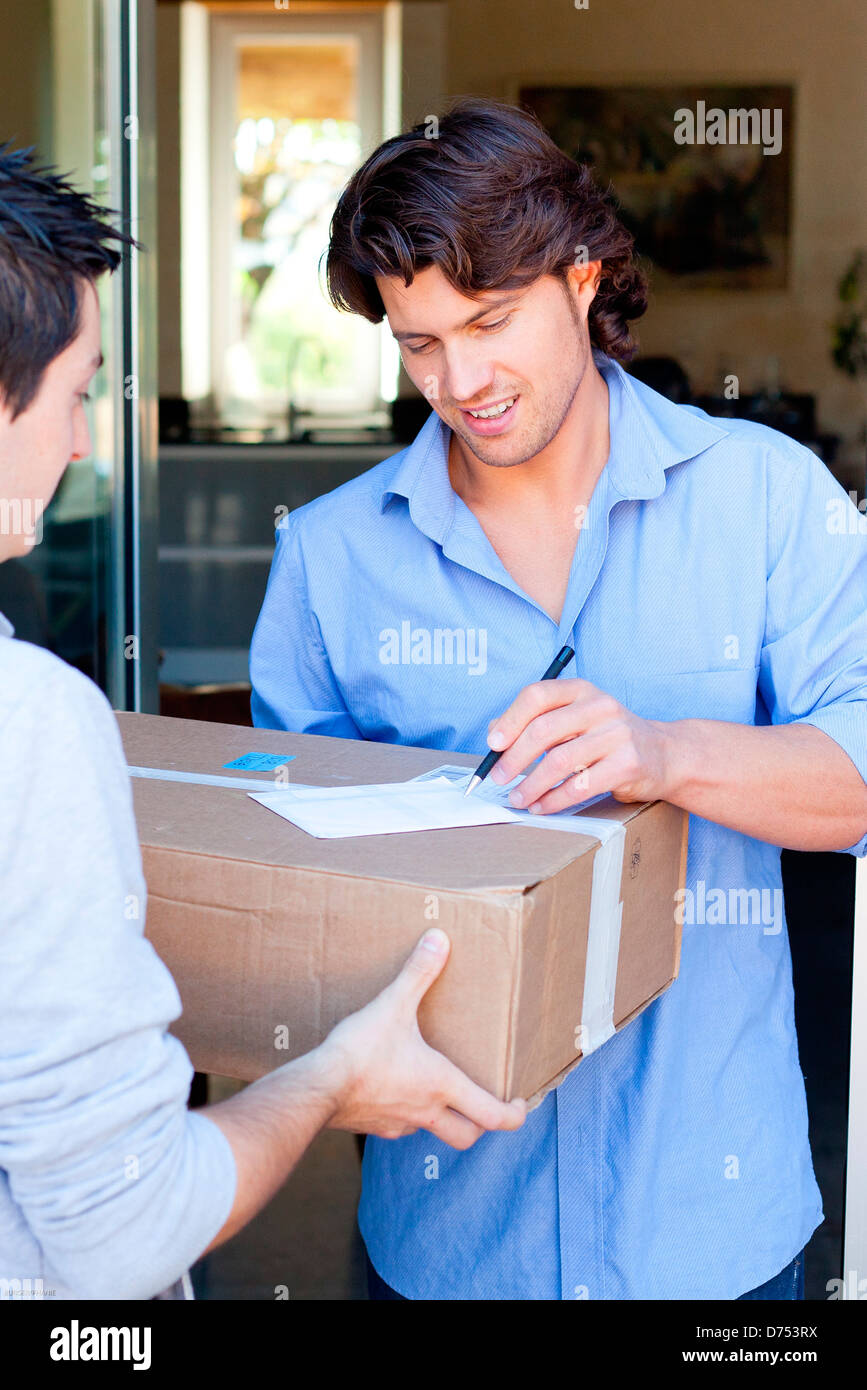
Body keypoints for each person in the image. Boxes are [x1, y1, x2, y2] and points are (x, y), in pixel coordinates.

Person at [250, 98, 867, 1300]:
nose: (461, 381)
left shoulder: (767, 498)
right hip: (452, 1244)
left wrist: (667, 754)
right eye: (420, 343)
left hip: (714, 1237)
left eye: (489, 322)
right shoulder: (330, 557)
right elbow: (299, 903)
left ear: (583, 277)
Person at [0, 142, 526, 1303]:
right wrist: (332, 1079)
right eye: (79, 391)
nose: (83, 440)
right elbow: (125, 1228)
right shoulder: (28, 723)